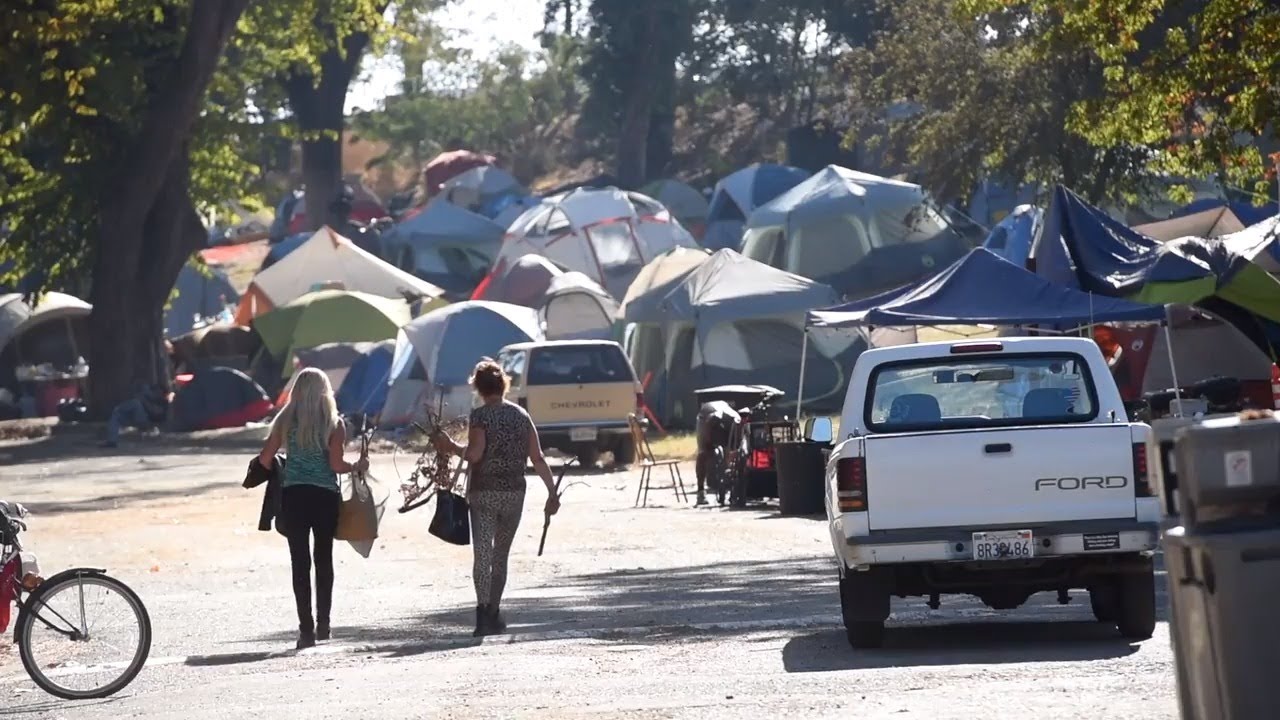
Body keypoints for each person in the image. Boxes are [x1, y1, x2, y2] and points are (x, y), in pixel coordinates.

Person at [432, 358, 560, 637]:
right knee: (500, 556)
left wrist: (451, 446)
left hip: (484, 495)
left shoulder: (480, 417)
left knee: (483, 555)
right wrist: (552, 492)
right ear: (504, 385)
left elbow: (475, 454)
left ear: (478, 388)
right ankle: (494, 611)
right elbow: (537, 458)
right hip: (514, 495)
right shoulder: (521, 416)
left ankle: (481, 615)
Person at [258, 368, 368, 650]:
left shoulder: (285, 420)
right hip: (324, 497)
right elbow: (335, 466)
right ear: (324, 391)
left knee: (299, 562)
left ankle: (305, 630)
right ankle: (324, 625)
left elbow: (266, 458)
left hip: (294, 496)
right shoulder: (334, 423)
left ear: (296, 391)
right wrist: (357, 466)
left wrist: (289, 464)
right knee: (323, 559)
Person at [694, 400, 740, 506]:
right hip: (706, 417)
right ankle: (700, 491)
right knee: (704, 452)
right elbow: (713, 419)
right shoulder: (712, 417)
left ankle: (729, 483)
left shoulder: (735, 419)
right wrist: (707, 443)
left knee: (731, 451)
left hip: (721, 422)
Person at [101, 382, 171, 448]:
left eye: (157, 392)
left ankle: (119, 408)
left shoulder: (163, 402)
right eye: (154, 391)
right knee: (116, 416)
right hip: (137, 418)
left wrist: (143, 401)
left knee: (136, 403)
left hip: (147, 422)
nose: (155, 393)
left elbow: (155, 413)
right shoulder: (149, 399)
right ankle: (112, 441)